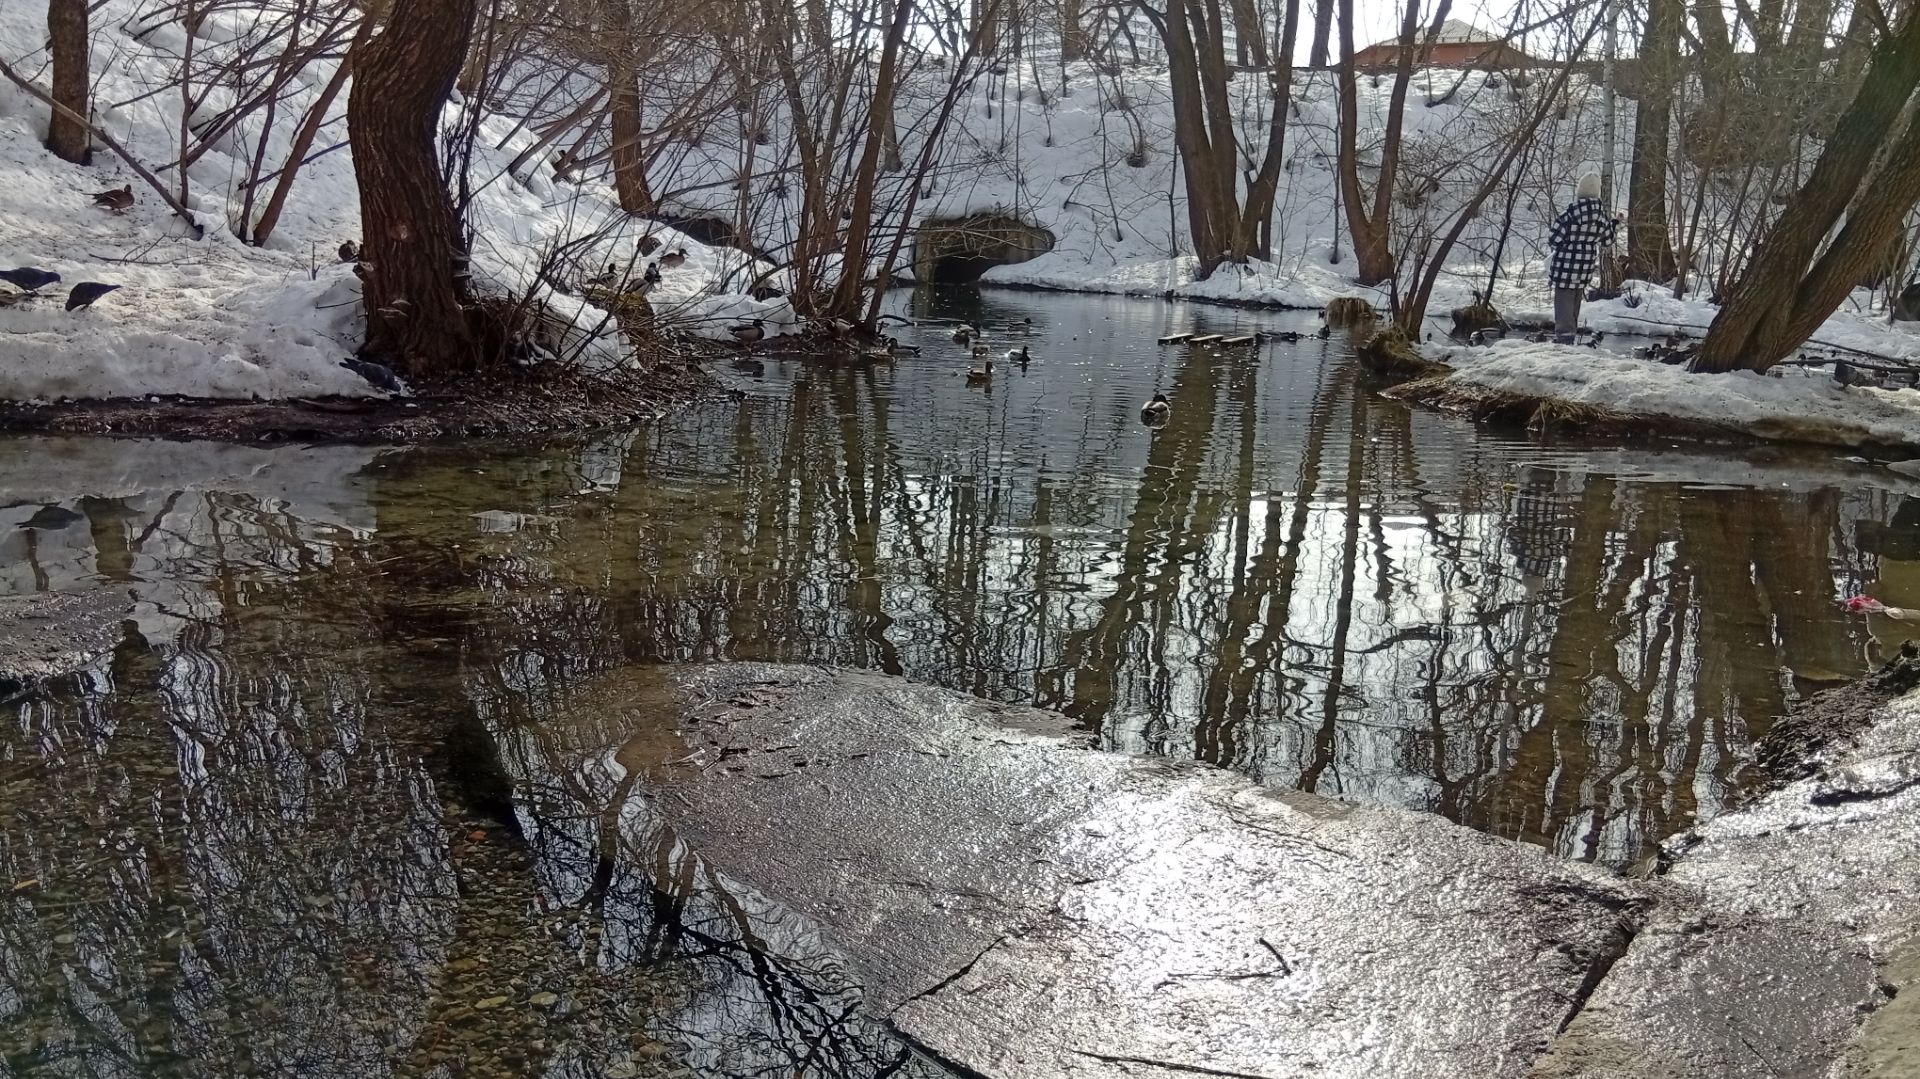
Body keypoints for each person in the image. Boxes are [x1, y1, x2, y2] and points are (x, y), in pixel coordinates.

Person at [1547, 172, 1622, 344]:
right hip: (1585, 266)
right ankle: (1570, 333)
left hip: (1565, 266)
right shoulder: (1600, 216)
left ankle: (1564, 337)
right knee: (1575, 299)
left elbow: (1554, 239)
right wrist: (1614, 224)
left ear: (1579, 191)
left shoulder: (1570, 213)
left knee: (1563, 299)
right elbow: (1607, 241)